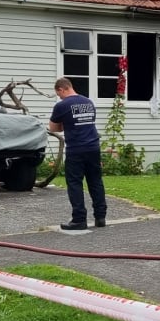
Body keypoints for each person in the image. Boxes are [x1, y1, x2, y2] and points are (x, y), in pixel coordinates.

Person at [49, 78, 107, 230]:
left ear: (62, 89)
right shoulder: (88, 102)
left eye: (58, 94)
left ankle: (79, 219)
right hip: (93, 147)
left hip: (76, 149)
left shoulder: (62, 105)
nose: (59, 97)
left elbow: (54, 128)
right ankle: (100, 217)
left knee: (75, 183)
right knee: (95, 181)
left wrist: (66, 123)